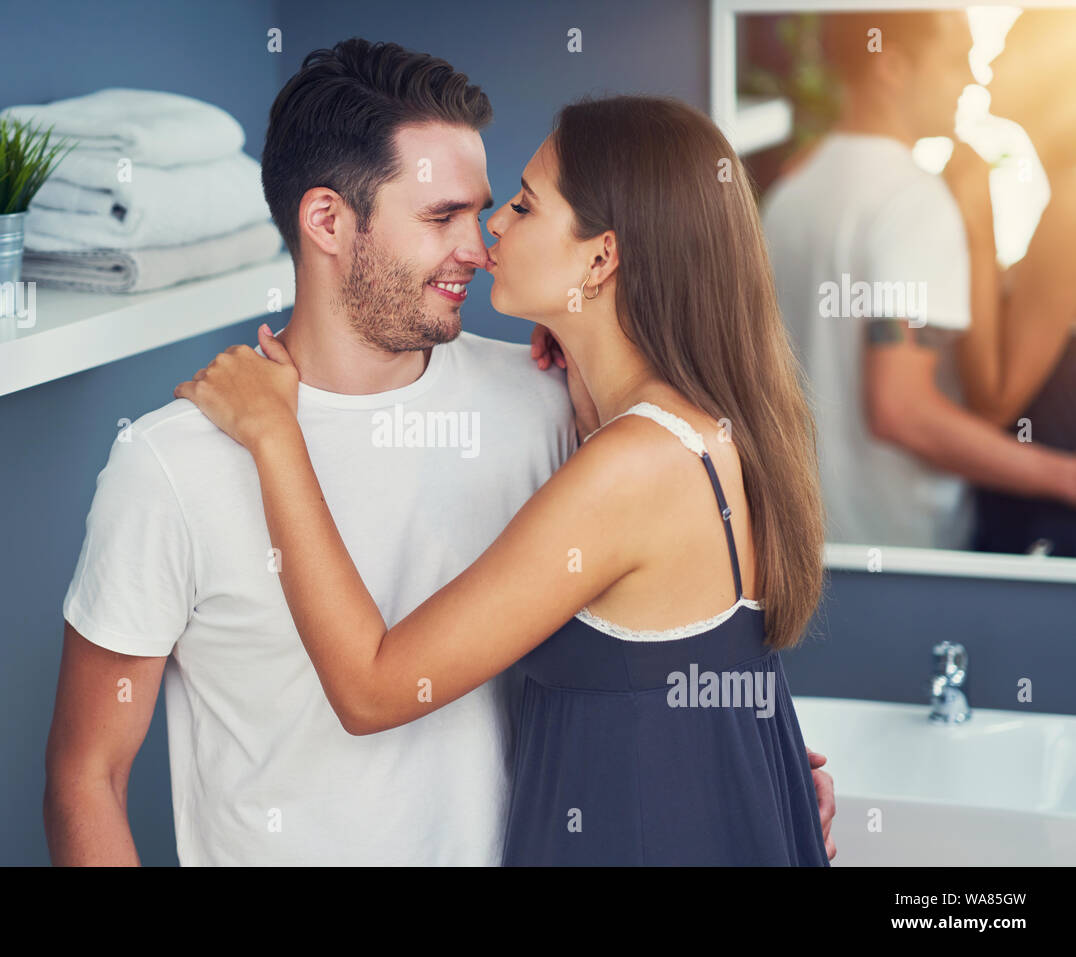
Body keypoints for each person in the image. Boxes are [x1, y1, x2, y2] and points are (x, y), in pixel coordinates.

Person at [173, 92, 832, 865]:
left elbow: (374, 687)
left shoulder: (629, 468)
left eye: (522, 205)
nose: (492, 229)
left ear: (600, 257)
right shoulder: (693, 431)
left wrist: (273, 433)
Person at [760, 11, 1076, 551]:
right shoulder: (915, 203)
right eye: (954, 60)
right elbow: (899, 410)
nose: (969, 81)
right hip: (908, 546)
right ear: (892, 68)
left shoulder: (789, 196)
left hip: (806, 545)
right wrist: (1062, 477)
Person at [961, 9, 1076, 555]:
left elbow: (997, 402)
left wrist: (977, 233)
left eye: (1009, 45)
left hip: (1047, 528)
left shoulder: (1070, 208)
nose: (989, 62)